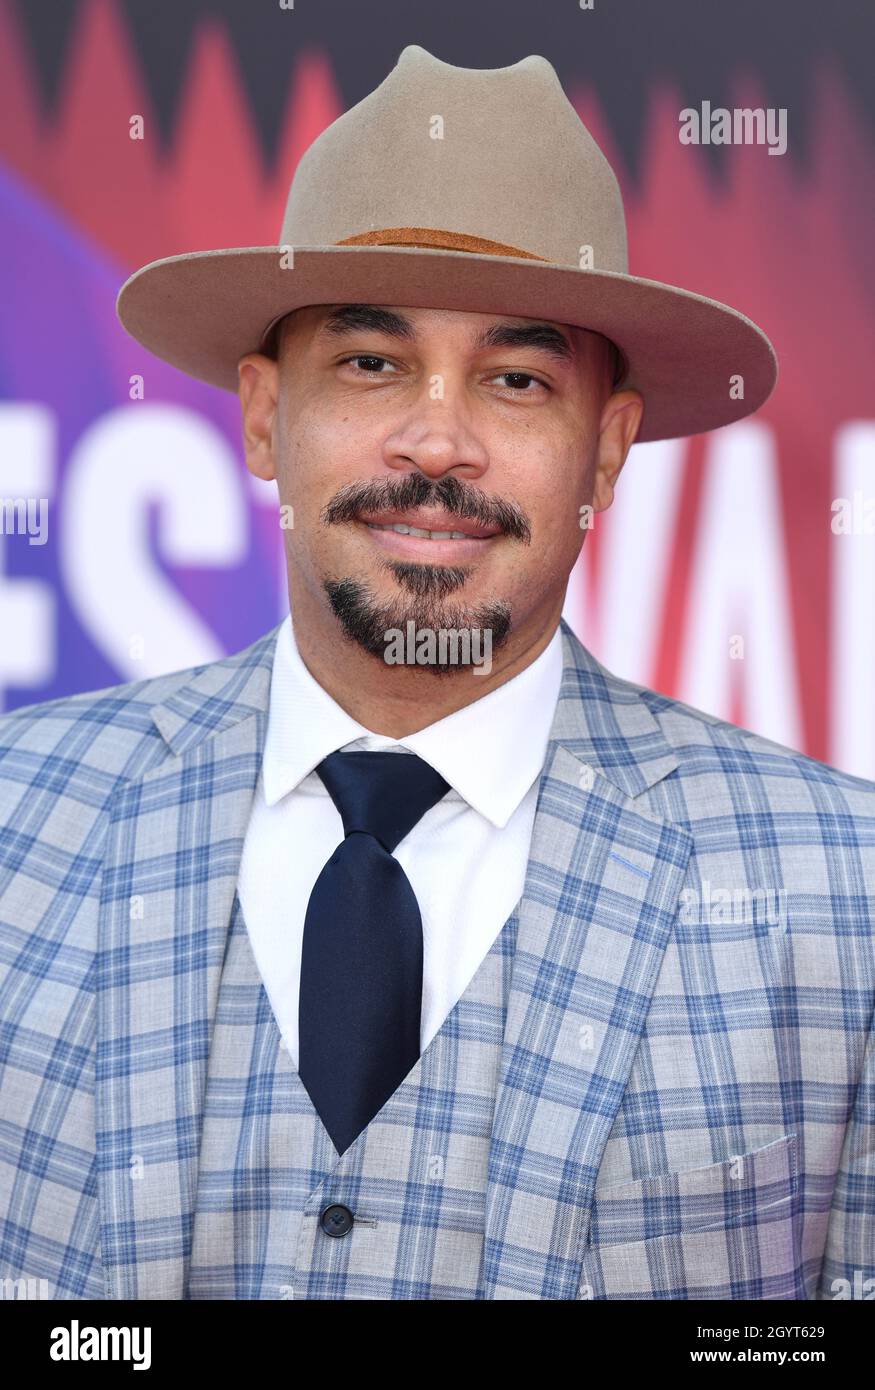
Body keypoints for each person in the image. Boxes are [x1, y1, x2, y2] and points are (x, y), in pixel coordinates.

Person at [0, 44, 872, 1302]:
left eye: (516, 380)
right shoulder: (21, 818)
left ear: (607, 451)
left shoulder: (837, 894)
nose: (438, 441)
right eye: (371, 362)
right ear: (261, 415)